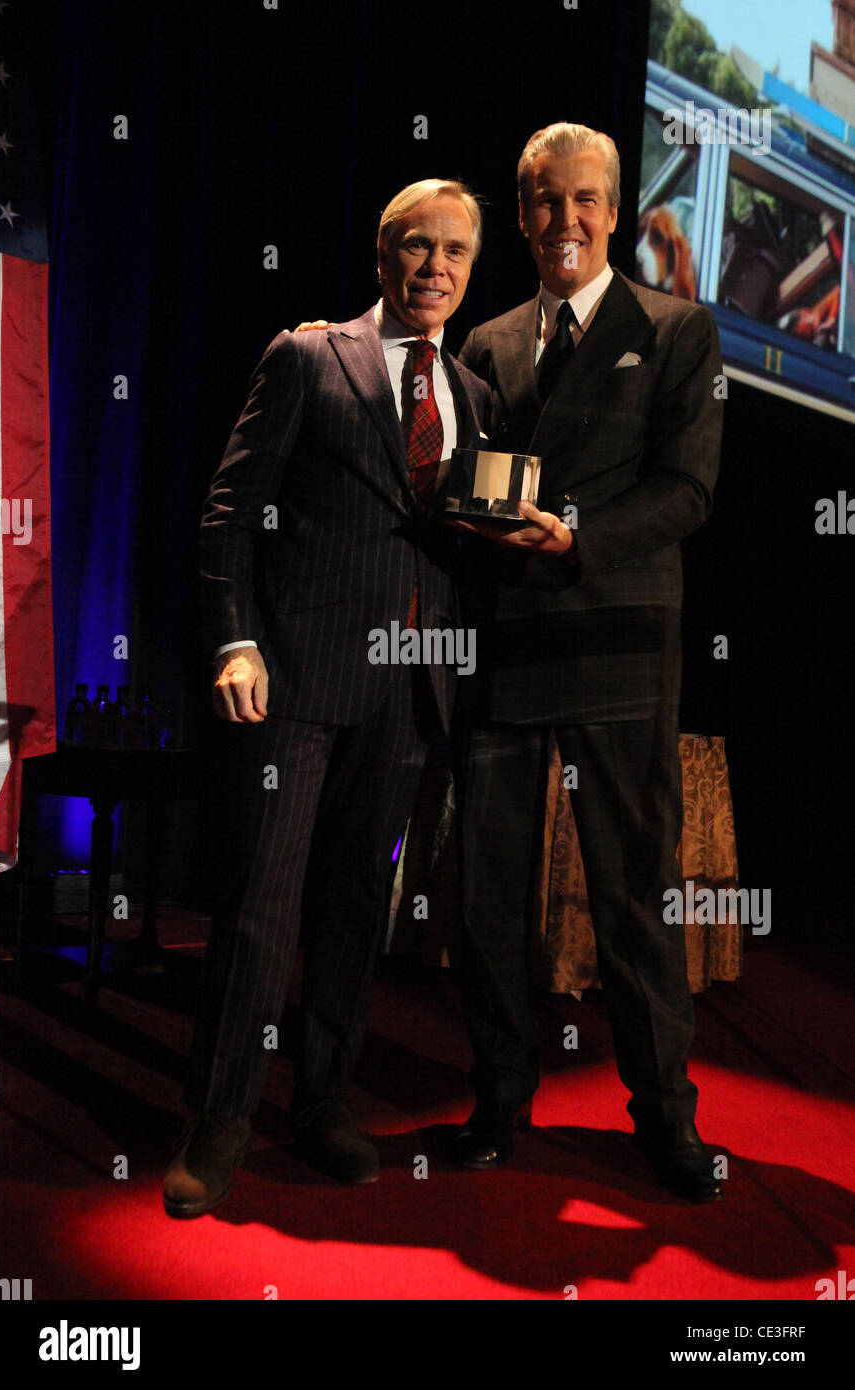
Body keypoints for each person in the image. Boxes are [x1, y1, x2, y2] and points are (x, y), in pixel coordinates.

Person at [163, 178, 488, 1218]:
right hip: (295, 681)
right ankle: (216, 1118)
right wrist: (235, 639)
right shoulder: (308, 355)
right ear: (383, 252)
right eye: (416, 246)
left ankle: (322, 1102)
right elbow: (227, 509)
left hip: (408, 694)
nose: (433, 267)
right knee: (260, 904)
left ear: (471, 268)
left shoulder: (472, 398)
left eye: (454, 253)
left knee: (355, 909)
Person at [452, 122, 725, 1201]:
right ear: (518, 215)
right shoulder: (482, 343)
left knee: (632, 902)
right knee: (481, 899)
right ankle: (496, 1099)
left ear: (613, 211)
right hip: (504, 646)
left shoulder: (678, 329)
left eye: (581, 200)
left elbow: (686, 490)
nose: (561, 219)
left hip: (618, 645)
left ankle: (664, 1118)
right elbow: (464, 486)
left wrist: (575, 538)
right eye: (540, 199)